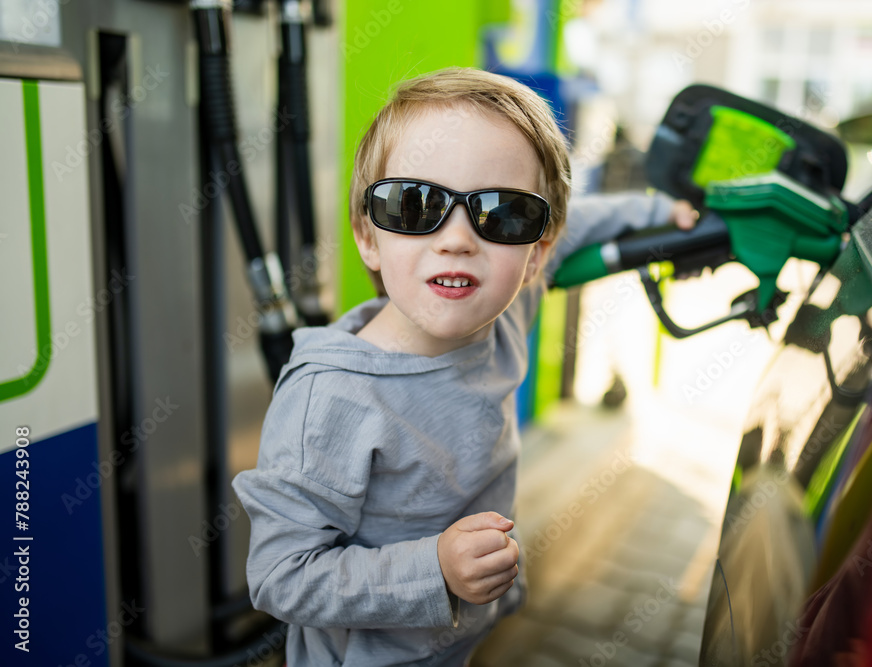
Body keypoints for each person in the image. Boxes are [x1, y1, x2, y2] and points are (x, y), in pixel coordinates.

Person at [232, 67, 697, 666]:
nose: (456, 239)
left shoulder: (503, 313)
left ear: (536, 254)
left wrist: (661, 211)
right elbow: (280, 576)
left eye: (502, 214)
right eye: (415, 204)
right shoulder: (333, 400)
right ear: (367, 237)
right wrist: (435, 570)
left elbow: (574, 222)